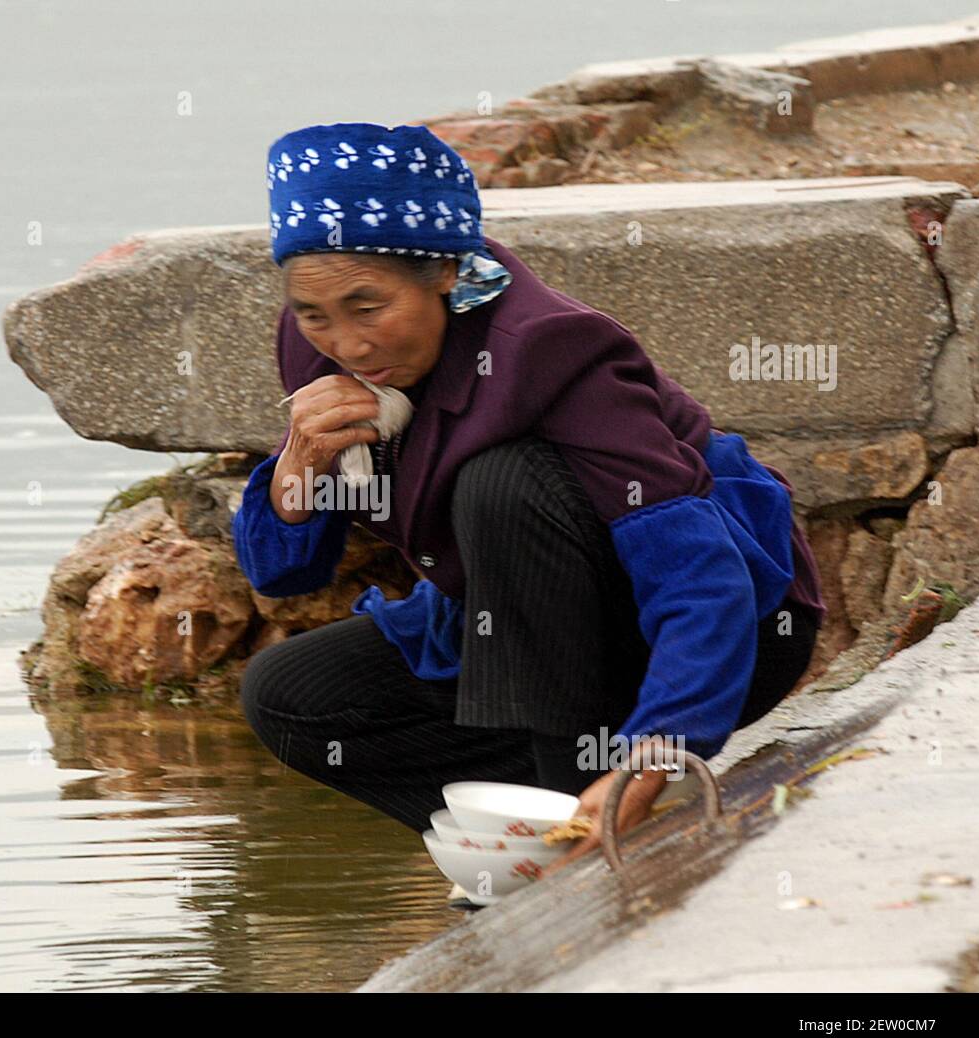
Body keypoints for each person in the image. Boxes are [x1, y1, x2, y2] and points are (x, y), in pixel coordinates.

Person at [233, 121, 825, 877]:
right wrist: (299, 462)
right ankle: (527, 840)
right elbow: (282, 574)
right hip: (507, 615)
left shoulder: (547, 351)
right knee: (289, 696)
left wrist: (656, 755)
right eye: (316, 314)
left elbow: (700, 577)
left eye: (368, 305)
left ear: (444, 273)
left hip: (715, 618)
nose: (348, 344)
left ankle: (584, 814)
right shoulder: (311, 344)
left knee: (500, 481)